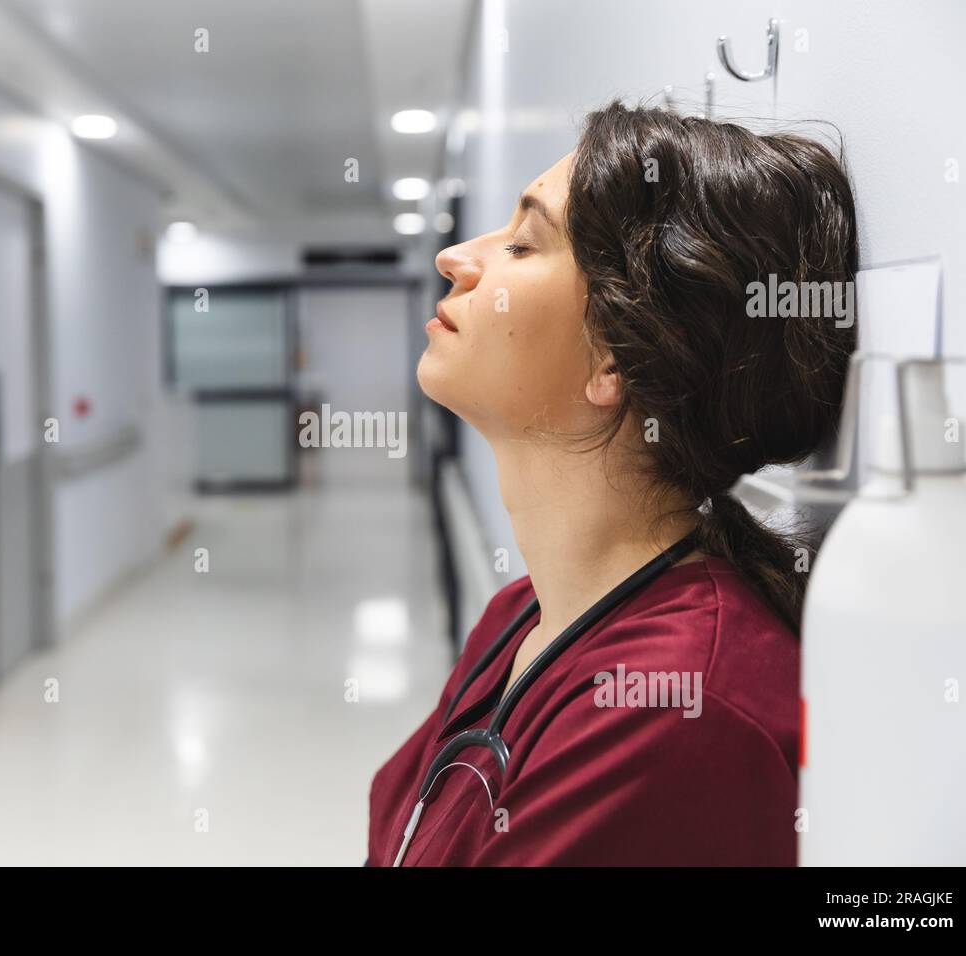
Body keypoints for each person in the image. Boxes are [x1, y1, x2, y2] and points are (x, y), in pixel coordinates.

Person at [366, 100, 858, 866]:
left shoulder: (678, 709)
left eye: (524, 245)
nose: (457, 257)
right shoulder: (520, 612)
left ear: (616, 361)